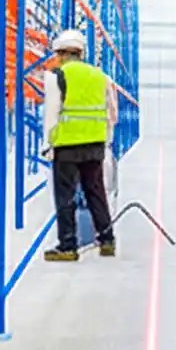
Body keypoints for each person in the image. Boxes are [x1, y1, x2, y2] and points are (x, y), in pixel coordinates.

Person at [41, 29, 118, 262]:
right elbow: (111, 112)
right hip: (94, 143)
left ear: (62, 53)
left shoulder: (57, 76)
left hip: (67, 145)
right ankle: (107, 239)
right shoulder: (100, 76)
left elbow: (51, 113)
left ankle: (68, 245)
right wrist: (106, 140)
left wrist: (48, 144)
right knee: (96, 191)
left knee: (65, 196)